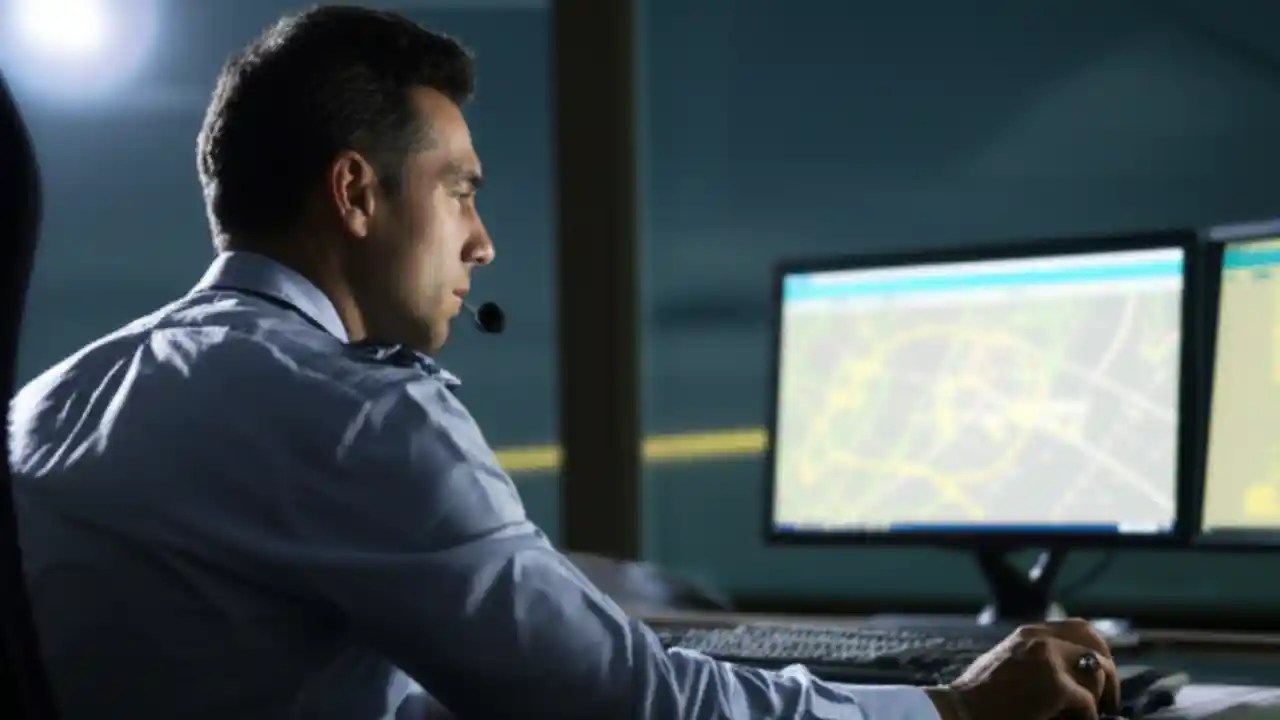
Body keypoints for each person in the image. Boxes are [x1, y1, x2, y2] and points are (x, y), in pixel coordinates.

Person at [7, 6, 1120, 719]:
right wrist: (956, 712)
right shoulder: (351, 412)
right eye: (460, 190)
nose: (481, 243)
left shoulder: (52, 399)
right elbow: (630, 707)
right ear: (354, 194)